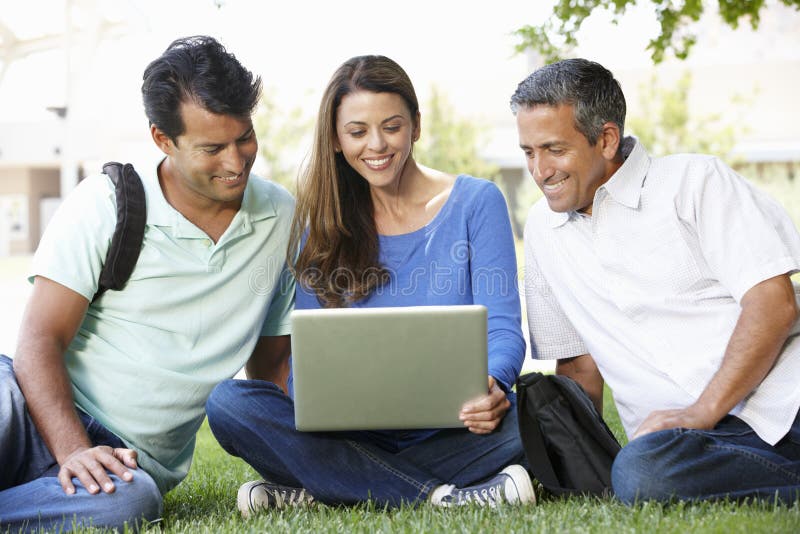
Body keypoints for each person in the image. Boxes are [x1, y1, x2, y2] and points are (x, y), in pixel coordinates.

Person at [206, 55, 534, 514]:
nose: (377, 145)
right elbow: (306, 366)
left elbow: (501, 328)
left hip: (459, 427)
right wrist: (318, 398)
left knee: (534, 418)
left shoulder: (477, 202)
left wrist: (494, 382)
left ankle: (327, 485)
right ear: (337, 141)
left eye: (392, 126)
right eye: (357, 132)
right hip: (349, 433)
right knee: (229, 404)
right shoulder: (319, 227)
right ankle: (443, 497)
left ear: (416, 127)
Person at [0, 35, 295, 531]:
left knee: (130, 503)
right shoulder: (105, 203)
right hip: (32, 407)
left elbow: (271, 368)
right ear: (163, 139)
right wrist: (72, 450)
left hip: (124, 459)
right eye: (211, 147)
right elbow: (38, 341)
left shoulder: (281, 218)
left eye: (244, 137)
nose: (236, 160)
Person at [512, 58, 800, 504]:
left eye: (554, 149)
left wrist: (703, 410)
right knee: (642, 475)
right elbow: (578, 366)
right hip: (689, 448)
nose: (540, 171)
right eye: (528, 153)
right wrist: (579, 462)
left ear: (606, 139)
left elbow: (774, 304)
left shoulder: (694, 181)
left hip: (787, 400)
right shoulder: (542, 231)